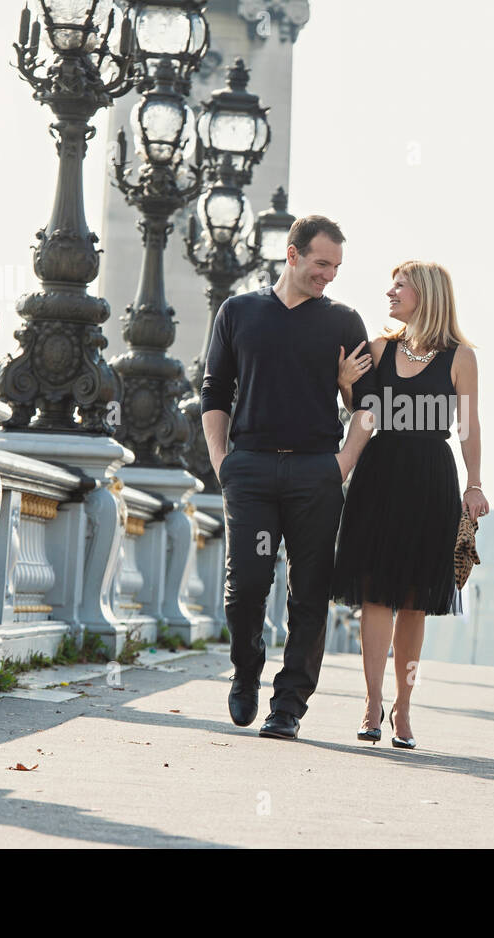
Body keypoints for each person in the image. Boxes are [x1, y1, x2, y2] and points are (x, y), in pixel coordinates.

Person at [200, 215, 377, 741]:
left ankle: (289, 705)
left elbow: (368, 407)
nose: (330, 275)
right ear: (293, 255)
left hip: (314, 472)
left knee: (309, 592)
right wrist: (221, 461)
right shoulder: (239, 312)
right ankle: (246, 668)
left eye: (337, 267)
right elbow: (214, 390)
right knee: (248, 583)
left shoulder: (344, 322)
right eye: (322, 263)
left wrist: (342, 463)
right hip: (250, 468)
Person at [331, 260, 489, 749]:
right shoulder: (380, 348)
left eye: (399, 286)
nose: (389, 292)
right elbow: (364, 411)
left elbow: (468, 427)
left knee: (415, 601)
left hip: (430, 480)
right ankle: (371, 703)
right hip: (378, 475)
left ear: (426, 294)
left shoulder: (461, 357)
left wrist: (475, 484)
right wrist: (343, 383)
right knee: (375, 593)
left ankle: (404, 708)